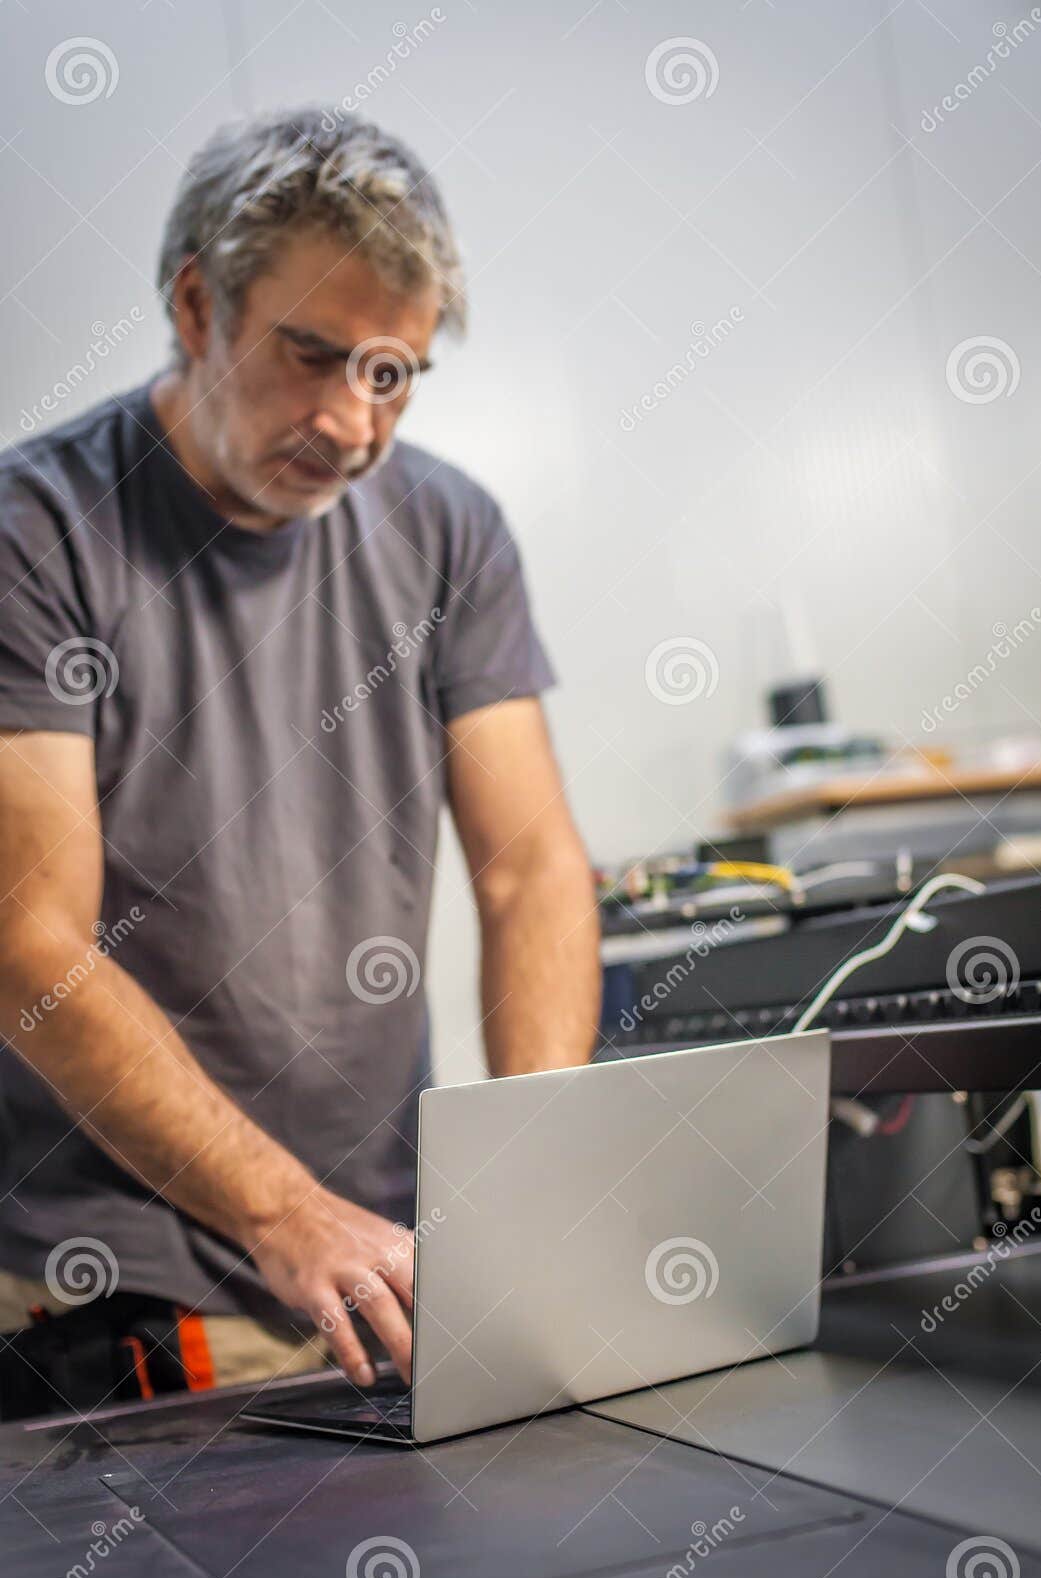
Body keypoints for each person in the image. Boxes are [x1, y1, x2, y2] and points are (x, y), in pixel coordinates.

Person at [0, 108, 600, 1416]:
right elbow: (27, 940)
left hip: (378, 1264)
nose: (349, 420)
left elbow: (530, 869)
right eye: (314, 355)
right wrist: (282, 1211)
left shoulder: (448, 529)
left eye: (394, 372)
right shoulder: (35, 532)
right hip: (117, 1285)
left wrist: (538, 1186)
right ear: (199, 305)